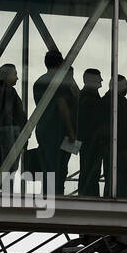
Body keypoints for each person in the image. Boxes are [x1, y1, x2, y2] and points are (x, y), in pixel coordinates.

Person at [32, 49, 78, 193]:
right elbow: (62, 106)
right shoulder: (58, 83)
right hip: (59, 131)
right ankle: (56, 196)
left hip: (43, 129)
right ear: (60, 64)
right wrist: (71, 132)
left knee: (48, 167)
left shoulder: (38, 82)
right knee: (59, 168)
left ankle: (48, 194)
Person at [0, 63, 25, 174]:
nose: (17, 77)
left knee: (2, 166)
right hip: (11, 131)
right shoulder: (9, 91)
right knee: (10, 168)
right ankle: (7, 190)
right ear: (6, 75)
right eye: (15, 74)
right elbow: (11, 113)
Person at [76, 68, 107, 197]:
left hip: (88, 142)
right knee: (91, 173)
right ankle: (90, 197)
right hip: (92, 142)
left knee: (87, 171)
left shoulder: (83, 96)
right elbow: (94, 122)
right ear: (91, 80)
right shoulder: (91, 99)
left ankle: (87, 196)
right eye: (98, 78)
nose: (101, 80)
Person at [108, 73, 127, 193]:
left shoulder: (107, 100)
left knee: (111, 177)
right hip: (123, 149)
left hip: (113, 148)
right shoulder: (123, 103)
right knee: (123, 178)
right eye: (125, 85)